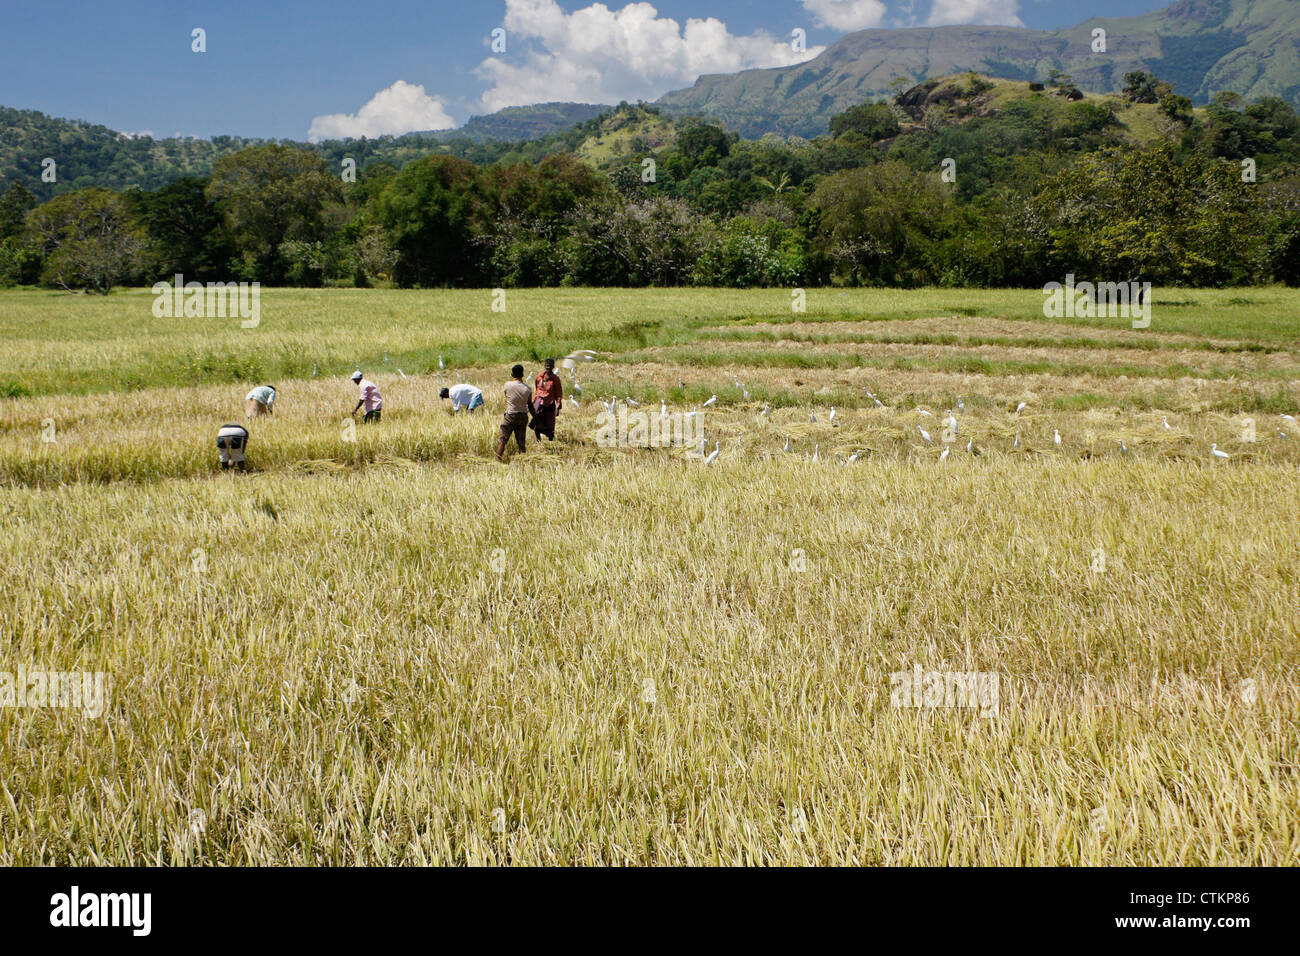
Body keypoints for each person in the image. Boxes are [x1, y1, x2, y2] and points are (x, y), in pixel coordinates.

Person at [497, 364, 532, 460]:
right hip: (523, 416)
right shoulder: (528, 389)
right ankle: (523, 461)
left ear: (512, 374)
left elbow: (507, 396)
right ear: (523, 374)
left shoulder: (507, 385)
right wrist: (536, 418)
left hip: (511, 415)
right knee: (521, 442)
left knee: (502, 439)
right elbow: (530, 405)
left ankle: (497, 460)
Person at [531, 357, 563, 440]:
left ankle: (550, 440)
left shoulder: (555, 379)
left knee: (550, 425)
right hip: (539, 403)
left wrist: (558, 405)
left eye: (550, 366)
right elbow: (537, 390)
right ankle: (538, 440)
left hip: (549, 404)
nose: (548, 367)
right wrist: (533, 401)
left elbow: (559, 393)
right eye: (547, 365)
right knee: (537, 422)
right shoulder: (539, 377)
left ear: (553, 367)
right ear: (545, 366)